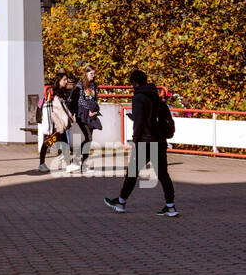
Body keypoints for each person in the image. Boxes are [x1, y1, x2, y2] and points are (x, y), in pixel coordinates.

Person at [105, 70, 177, 216]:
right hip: (160, 140)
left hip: (145, 140)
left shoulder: (138, 97)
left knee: (132, 173)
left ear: (135, 83)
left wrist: (135, 138)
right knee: (163, 174)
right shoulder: (155, 94)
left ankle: (121, 202)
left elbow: (139, 121)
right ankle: (170, 207)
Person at [39, 74, 78, 172]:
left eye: (66, 79)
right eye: (64, 79)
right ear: (59, 80)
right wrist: (49, 126)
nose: (66, 81)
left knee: (64, 142)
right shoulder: (51, 92)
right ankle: (41, 163)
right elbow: (47, 109)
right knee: (47, 143)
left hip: (60, 124)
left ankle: (68, 165)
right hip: (53, 124)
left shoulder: (62, 92)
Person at [72, 65, 103, 171]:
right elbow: (80, 100)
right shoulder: (80, 85)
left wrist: (94, 110)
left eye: (94, 73)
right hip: (82, 114)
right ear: (86, 73)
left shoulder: (94, 85)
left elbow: (95, 99)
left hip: (92, 114)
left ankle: (82, 163)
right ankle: (78, 160)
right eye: (91, 74)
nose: (93, 76)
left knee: (88, 140)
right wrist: (88, 109)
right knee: (89, 138)